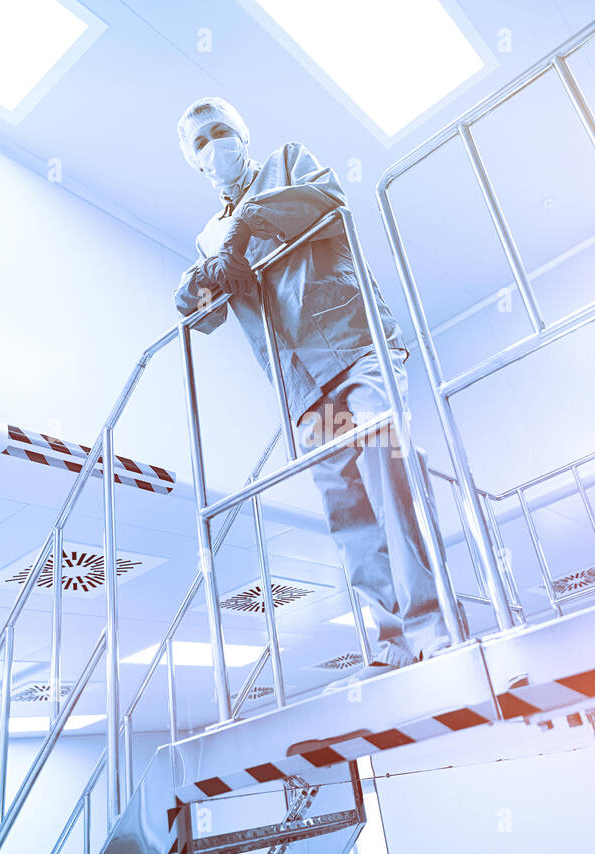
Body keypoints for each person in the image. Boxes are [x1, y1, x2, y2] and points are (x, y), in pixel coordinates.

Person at [171, 96, 458, 684]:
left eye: (220, 131)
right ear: (193, 163)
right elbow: (206, 316)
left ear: (243, 136)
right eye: (199, 142)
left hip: (353, 345)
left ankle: (434, 627)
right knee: (347, 507)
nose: (213, 146)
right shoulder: (206, 235)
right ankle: (393, 642)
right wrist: (194, 284)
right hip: (300, 383)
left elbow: (329, 204)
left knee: (389, 471)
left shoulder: (288, 163)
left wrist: (246, 224)